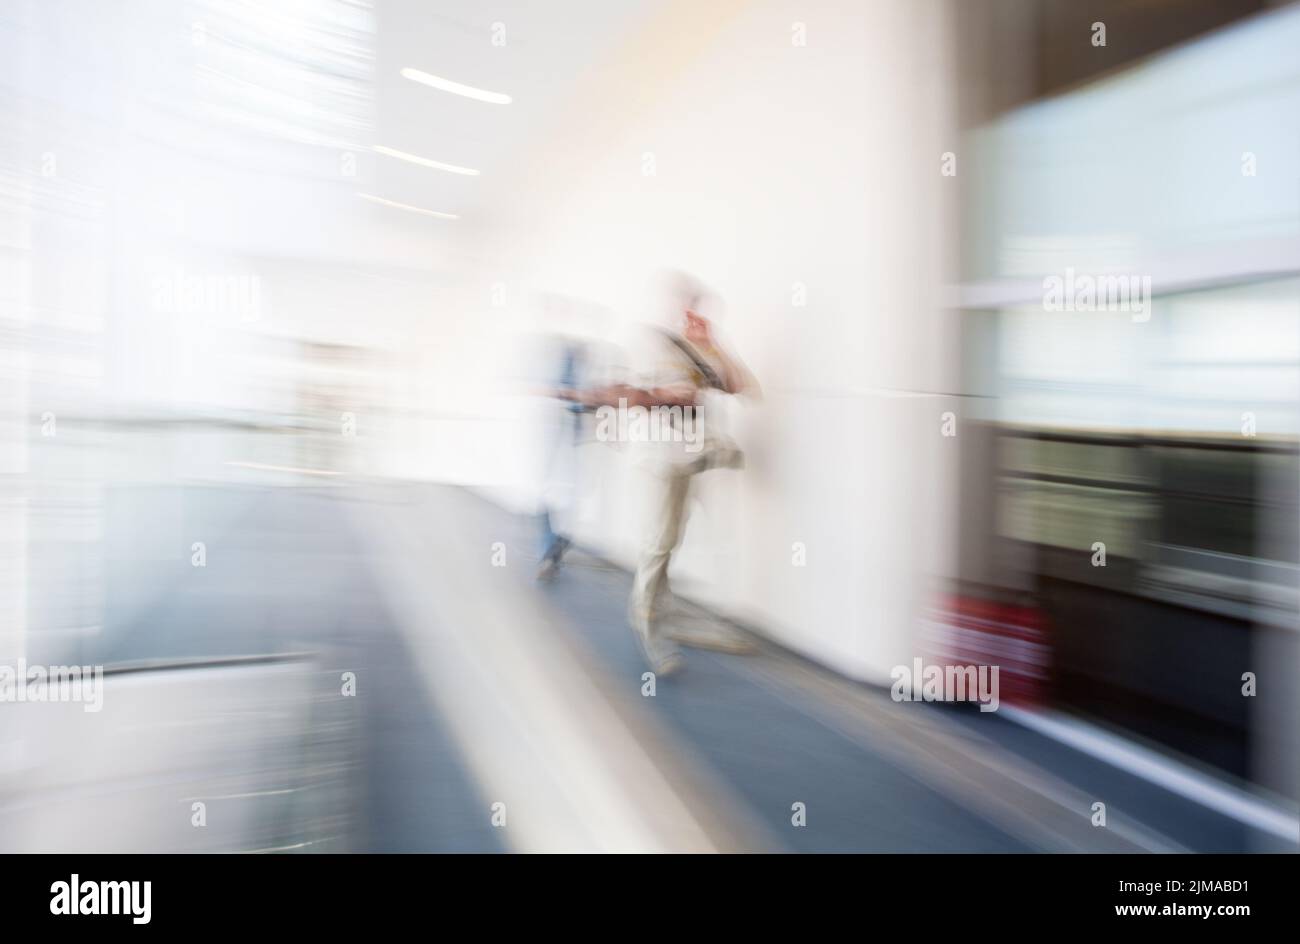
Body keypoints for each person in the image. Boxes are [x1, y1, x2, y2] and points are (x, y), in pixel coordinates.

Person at [575, 273, 757, 674]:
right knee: (659, 542)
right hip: (656, 457)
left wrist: (715, 344)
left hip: (692, 456)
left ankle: (666, 613)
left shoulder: (701, 348)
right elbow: (608, 393)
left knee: (674, 539)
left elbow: (743, 387)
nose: (689, 311)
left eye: (696, 304)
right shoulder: (644, 341)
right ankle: (648, 621)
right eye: (684, 302)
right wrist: (660, 395)